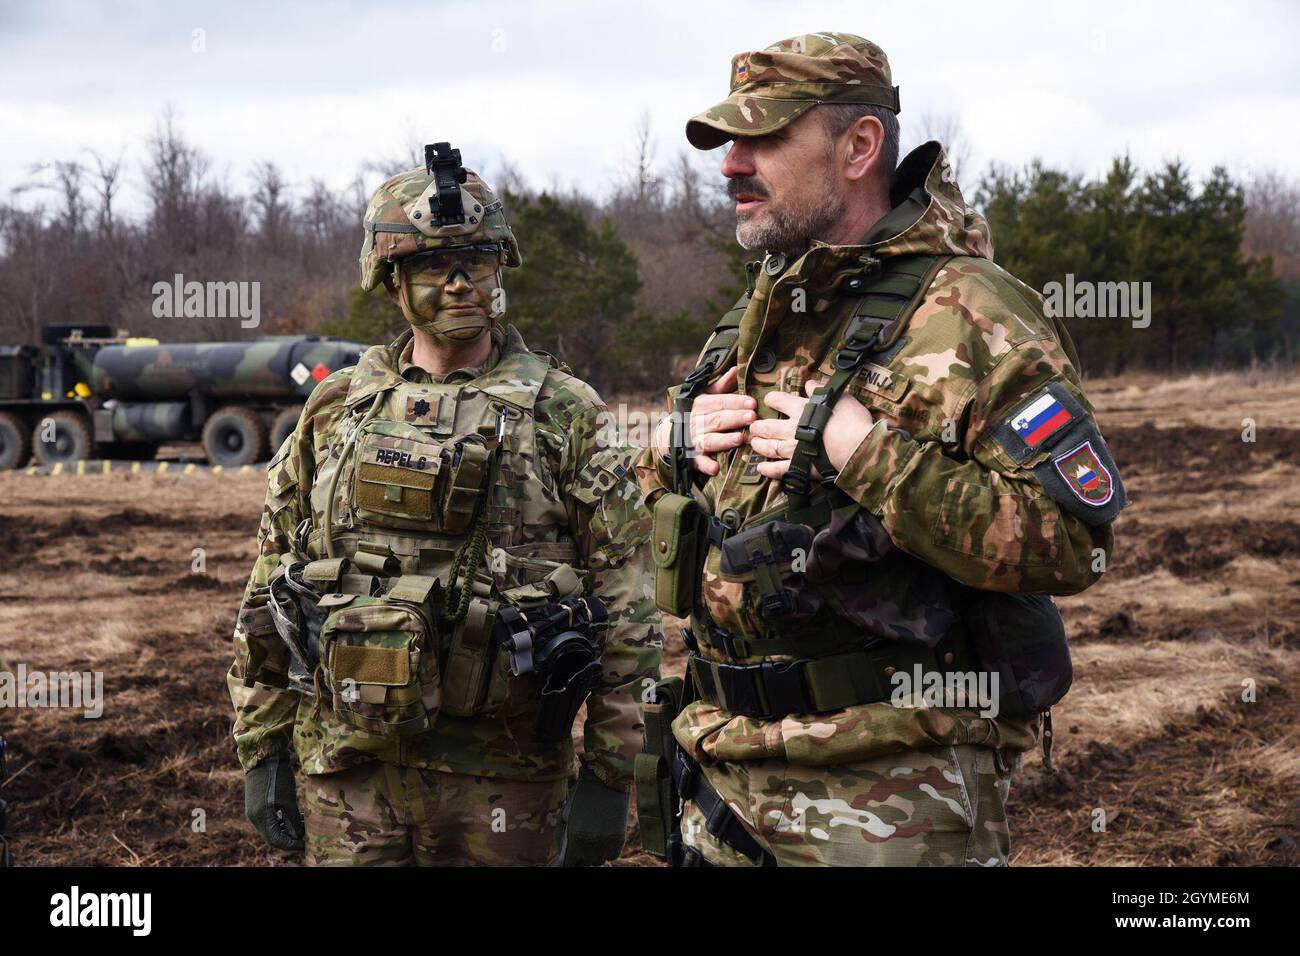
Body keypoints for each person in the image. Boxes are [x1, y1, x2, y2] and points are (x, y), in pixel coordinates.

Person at [636, 33, 1125, 866]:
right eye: (729, 143)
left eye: (764, 139)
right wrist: (670, 447)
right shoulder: (766, 307)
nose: (731, 166)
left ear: (859, 146)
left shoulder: (972, 311)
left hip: (890, 790)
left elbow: (1072, 544)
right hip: (726, 774)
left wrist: (868, 456)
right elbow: (684, 496)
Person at [229, 144, 661, 866]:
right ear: (392, 281)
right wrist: (262, 747)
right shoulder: (335, 409)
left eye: (478, 264)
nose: (461, 285)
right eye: (435, 266)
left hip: (507, 779)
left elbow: (628, 608)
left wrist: (612, 777)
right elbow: (272, 584)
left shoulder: (563, 410)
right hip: (349, 769)